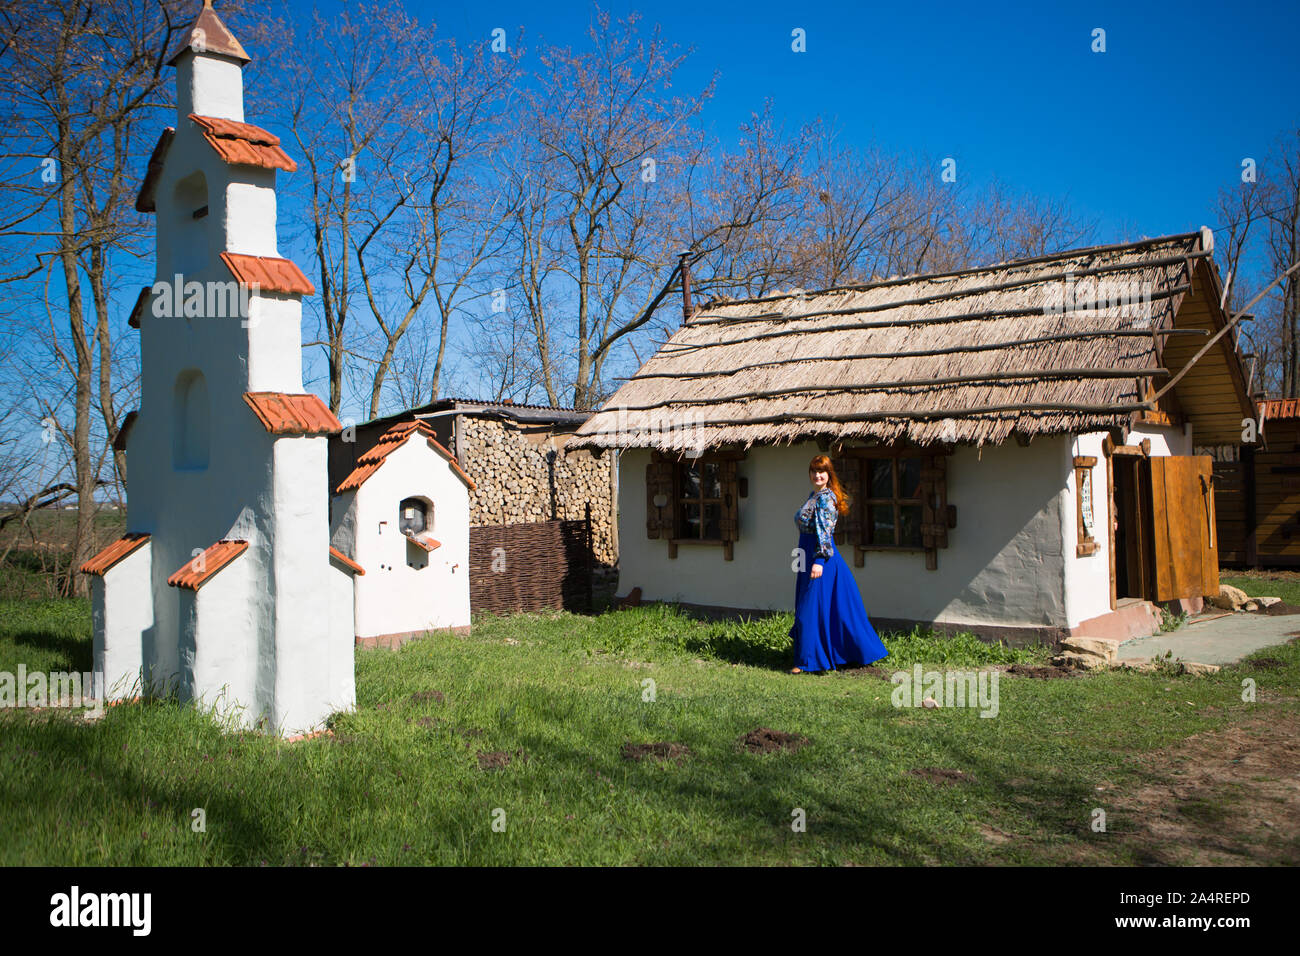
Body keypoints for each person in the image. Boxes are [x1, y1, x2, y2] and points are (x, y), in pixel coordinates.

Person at [789, 455, 890, 673]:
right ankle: (819, 655)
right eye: (814, 471)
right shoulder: (813, 496)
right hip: (805, 555)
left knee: (810, 609)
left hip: (821, 559)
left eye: (821, 471)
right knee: (823, 608)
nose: (817, 475)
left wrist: (818, 561)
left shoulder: (826, 499)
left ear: (829, 474)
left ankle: (808, 660)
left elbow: (824, 533)